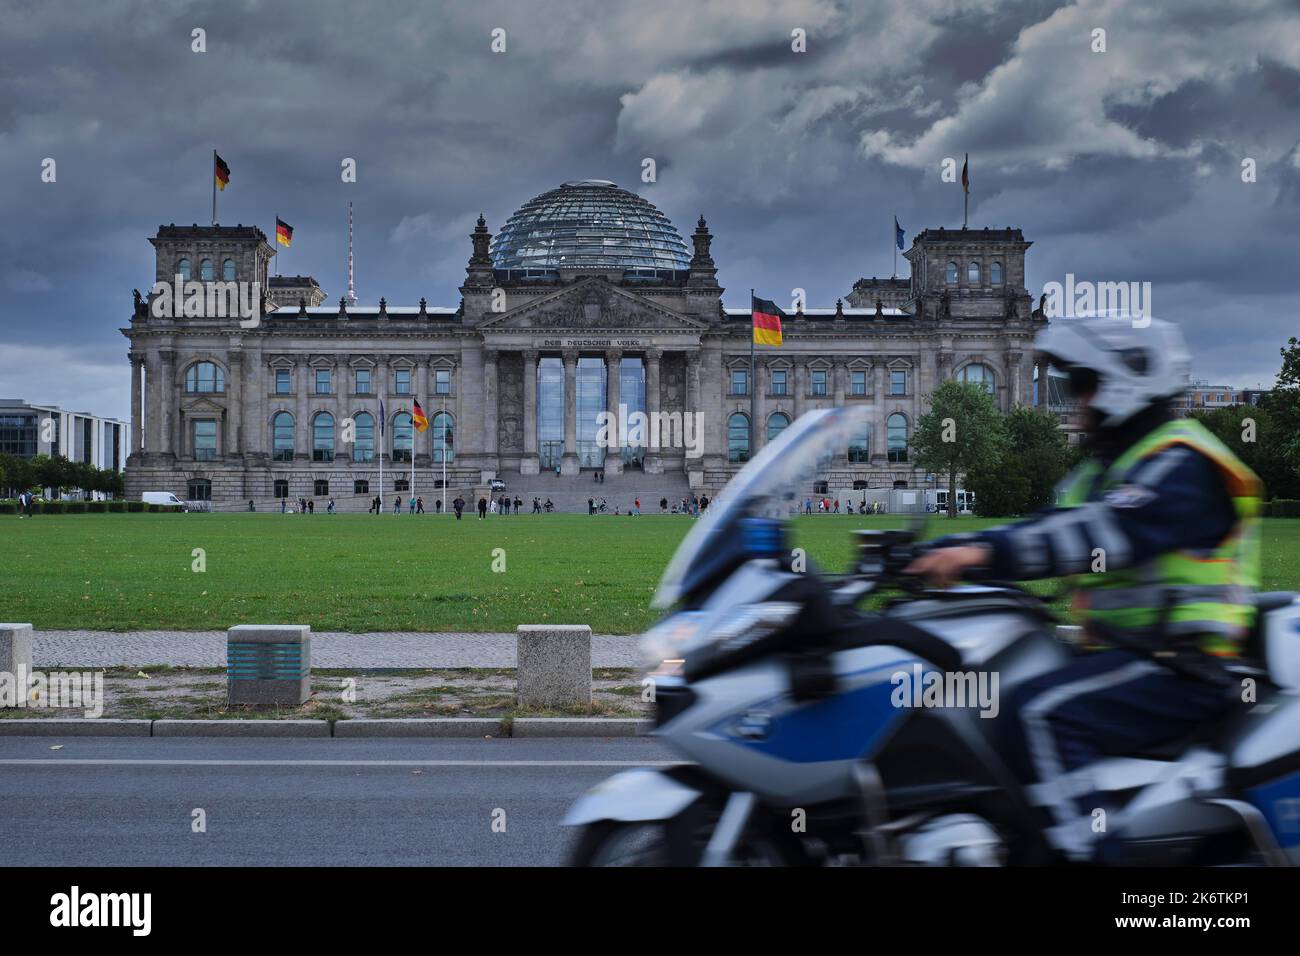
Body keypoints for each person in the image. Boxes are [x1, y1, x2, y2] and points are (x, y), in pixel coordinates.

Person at [906, 315, 1262, 862]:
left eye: (1081, 384)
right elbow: (1040, 528)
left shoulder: (1181, 461)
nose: (1072, 401)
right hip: (1131, 654)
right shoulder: (1109, 469)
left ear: (1124, 383)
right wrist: (939, 553)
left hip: (1180, 666)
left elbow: (1100, 532)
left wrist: (979, 553)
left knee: (1039, 713)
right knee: (987, 685)